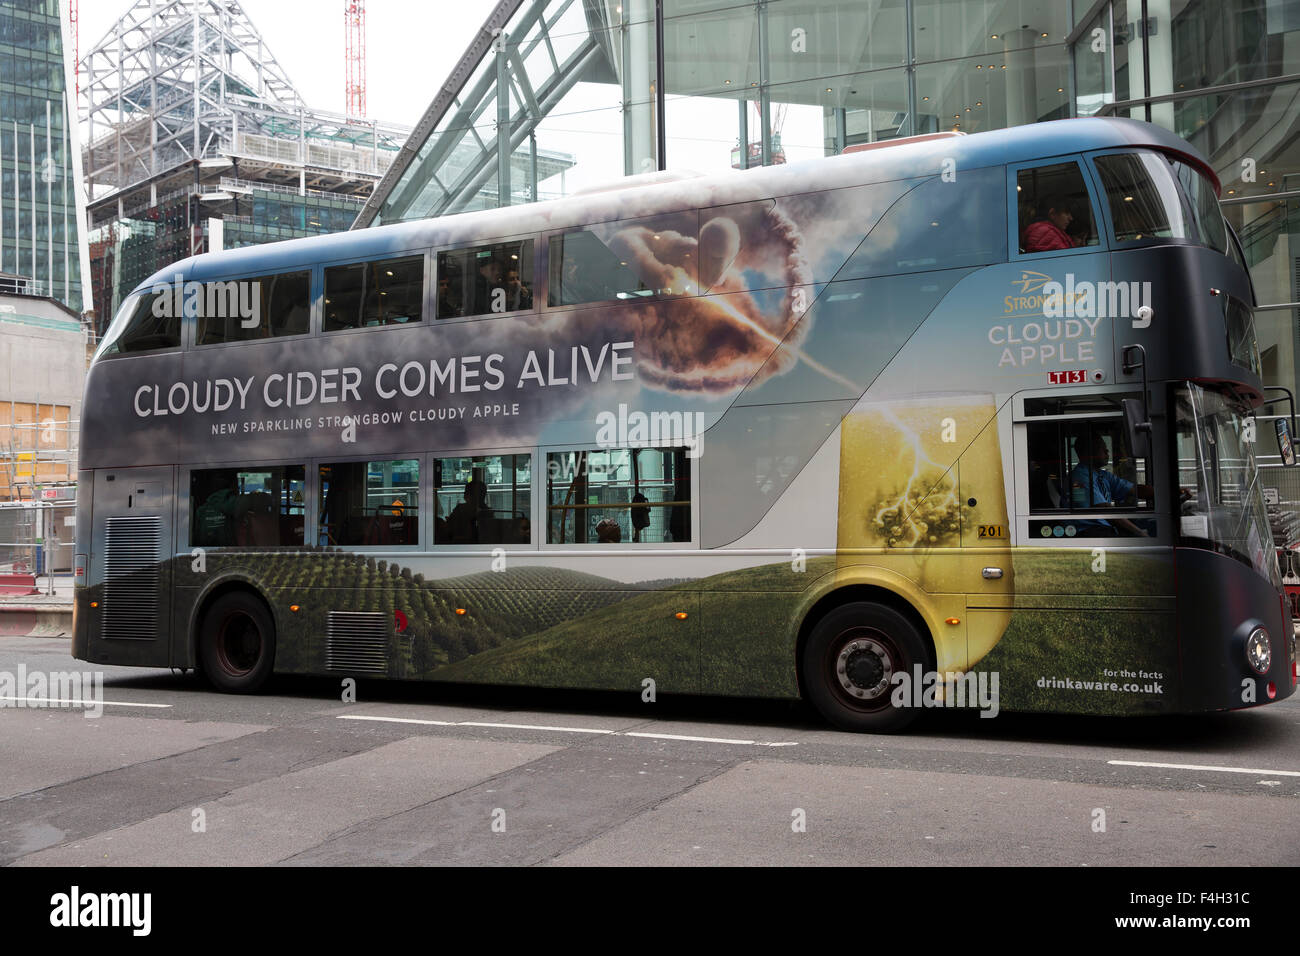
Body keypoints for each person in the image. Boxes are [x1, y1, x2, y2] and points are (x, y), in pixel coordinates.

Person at [1070, 434, 1154, 536]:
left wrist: (1162, 494)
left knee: (1152, 523)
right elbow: (1104, 509)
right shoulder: (1079, 478)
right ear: (1088, 452)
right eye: (1102, 448)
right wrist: (1139, 532)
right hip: (1090, 531)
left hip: (1105, 527)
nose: (1107, 451)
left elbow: (1134, 490)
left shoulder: (1102, 475)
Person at [448, 479, 491, 543]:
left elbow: (449, 528)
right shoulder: (489, 513)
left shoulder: (460, 509)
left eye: (466, 492)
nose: (464, 494)